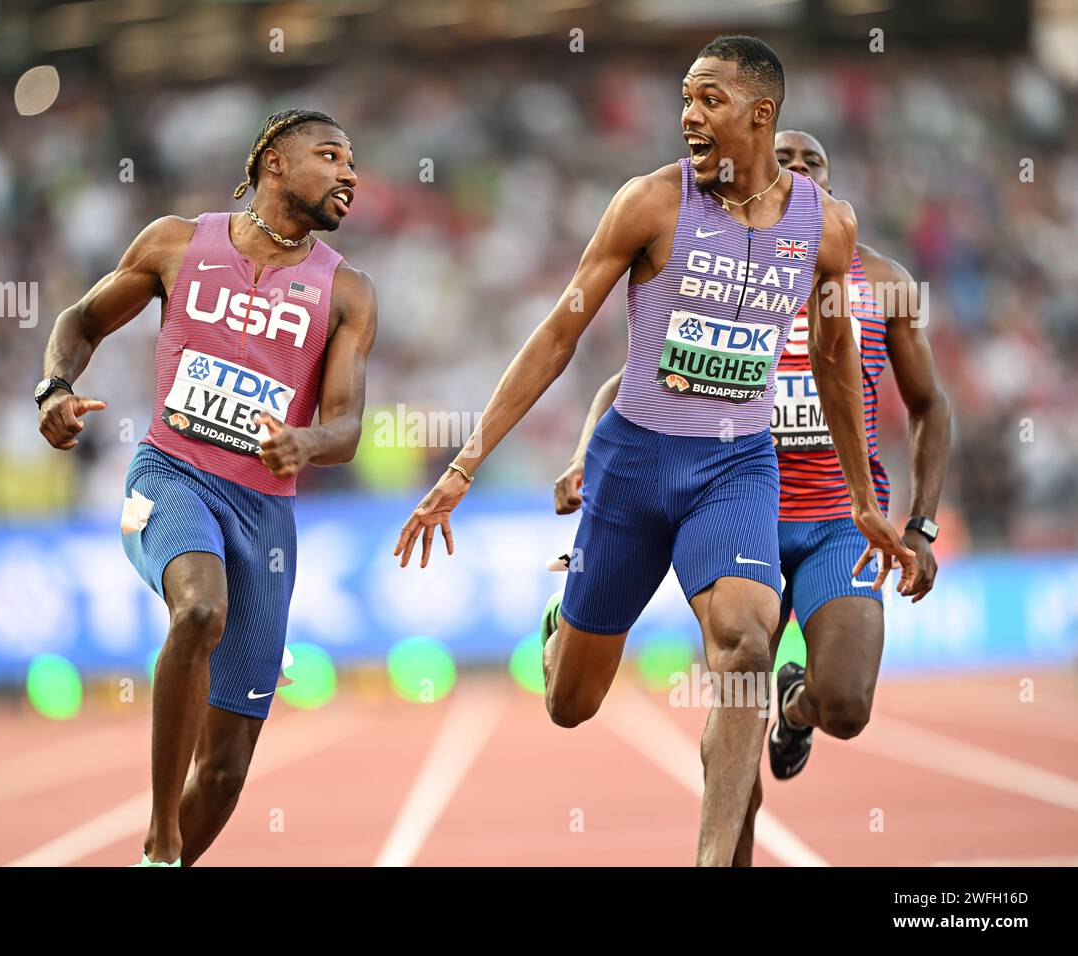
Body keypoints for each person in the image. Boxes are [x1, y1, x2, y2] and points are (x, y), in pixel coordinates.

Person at [393, 37, 916, 866]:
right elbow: (560, 335)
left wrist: (862, 498)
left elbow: (833, 362)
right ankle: (565, 621)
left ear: (760, 114)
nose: (688, 115)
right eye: (685, 98)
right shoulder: (649, 202)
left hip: (737, 466)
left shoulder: (827, 227)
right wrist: (464, 465)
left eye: (709, 99)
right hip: (635, 465)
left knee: (746, 641)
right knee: (571, 703)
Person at [552, 128, 950, 865]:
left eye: (813, 162)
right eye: (784, 159)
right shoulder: (734, 269)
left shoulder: (883, 283)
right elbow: (632, 381)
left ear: (831, 185)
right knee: (738, 681)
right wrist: (584, 458)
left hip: (836, 521)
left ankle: (796, 709)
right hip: (742, 504)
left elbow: (931, 406)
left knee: (847, 706)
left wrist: (920, 522)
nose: (795, 170)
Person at [37, 109, 376, 866]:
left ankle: (161, 863)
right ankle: (160, 826)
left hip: (265, 518)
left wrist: (306, 440)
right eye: (331, 156)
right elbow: (82, 319)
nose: (350, 173)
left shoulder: (347, 291)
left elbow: (347, 429)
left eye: (354, 162)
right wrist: (53, 387)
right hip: (171, 475)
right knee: (197, 608)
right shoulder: (177, 242)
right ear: (274, 164)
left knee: (224, 773)